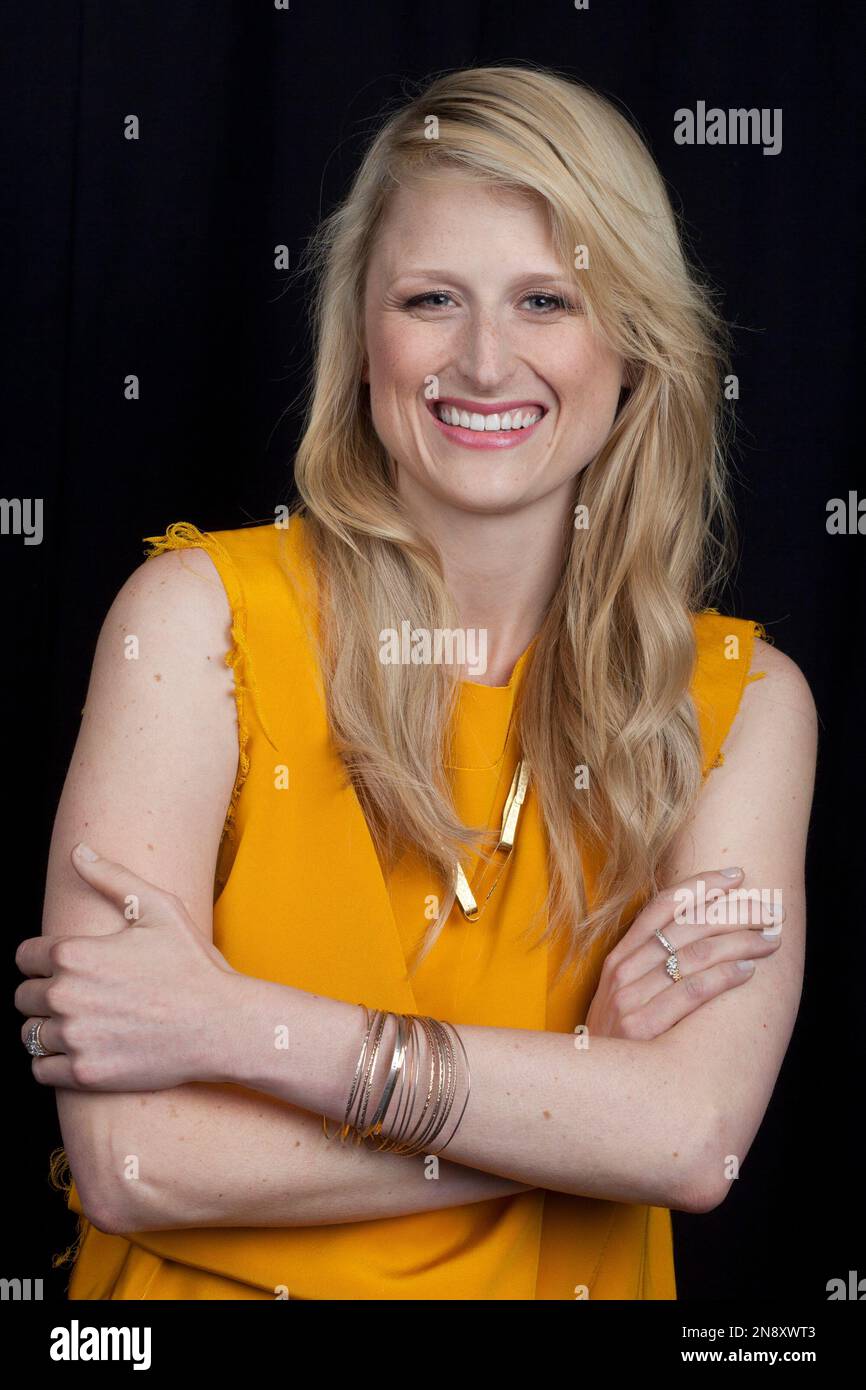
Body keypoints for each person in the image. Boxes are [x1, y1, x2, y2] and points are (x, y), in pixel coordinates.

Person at [16, 64, 816, 1300]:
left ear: (637, 343)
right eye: (431, 299)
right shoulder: (195, 623)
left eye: (547, 298)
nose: (484, 361)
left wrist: (236, 1030)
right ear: (364, 339)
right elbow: (134, 1161)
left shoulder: (744, 706)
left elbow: (689, 1139)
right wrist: (576, 1093)